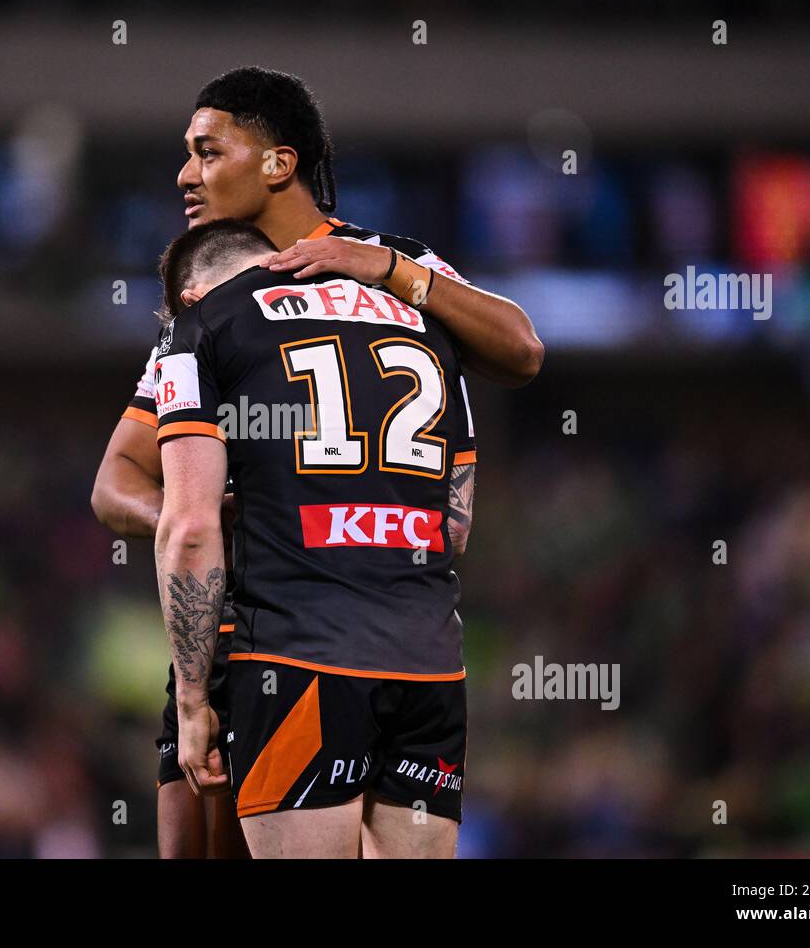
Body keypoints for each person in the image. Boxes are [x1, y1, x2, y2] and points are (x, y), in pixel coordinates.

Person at [91, 66, 541, 858]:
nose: (185, 175)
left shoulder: (382, 272)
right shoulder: (219, 288)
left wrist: (393, 270)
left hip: (283, 645)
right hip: (351, 642)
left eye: (207, 152)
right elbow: (117, 482)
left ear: (279, 163)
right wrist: (208, 521)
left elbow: (524, 349)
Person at [153, 219, 477, 858]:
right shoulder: (429, 326)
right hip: (430, 662)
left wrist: (193, 703)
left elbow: (189, 531)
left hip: (298, 658)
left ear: (190, 294)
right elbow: (456, 526)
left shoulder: (201, 328)